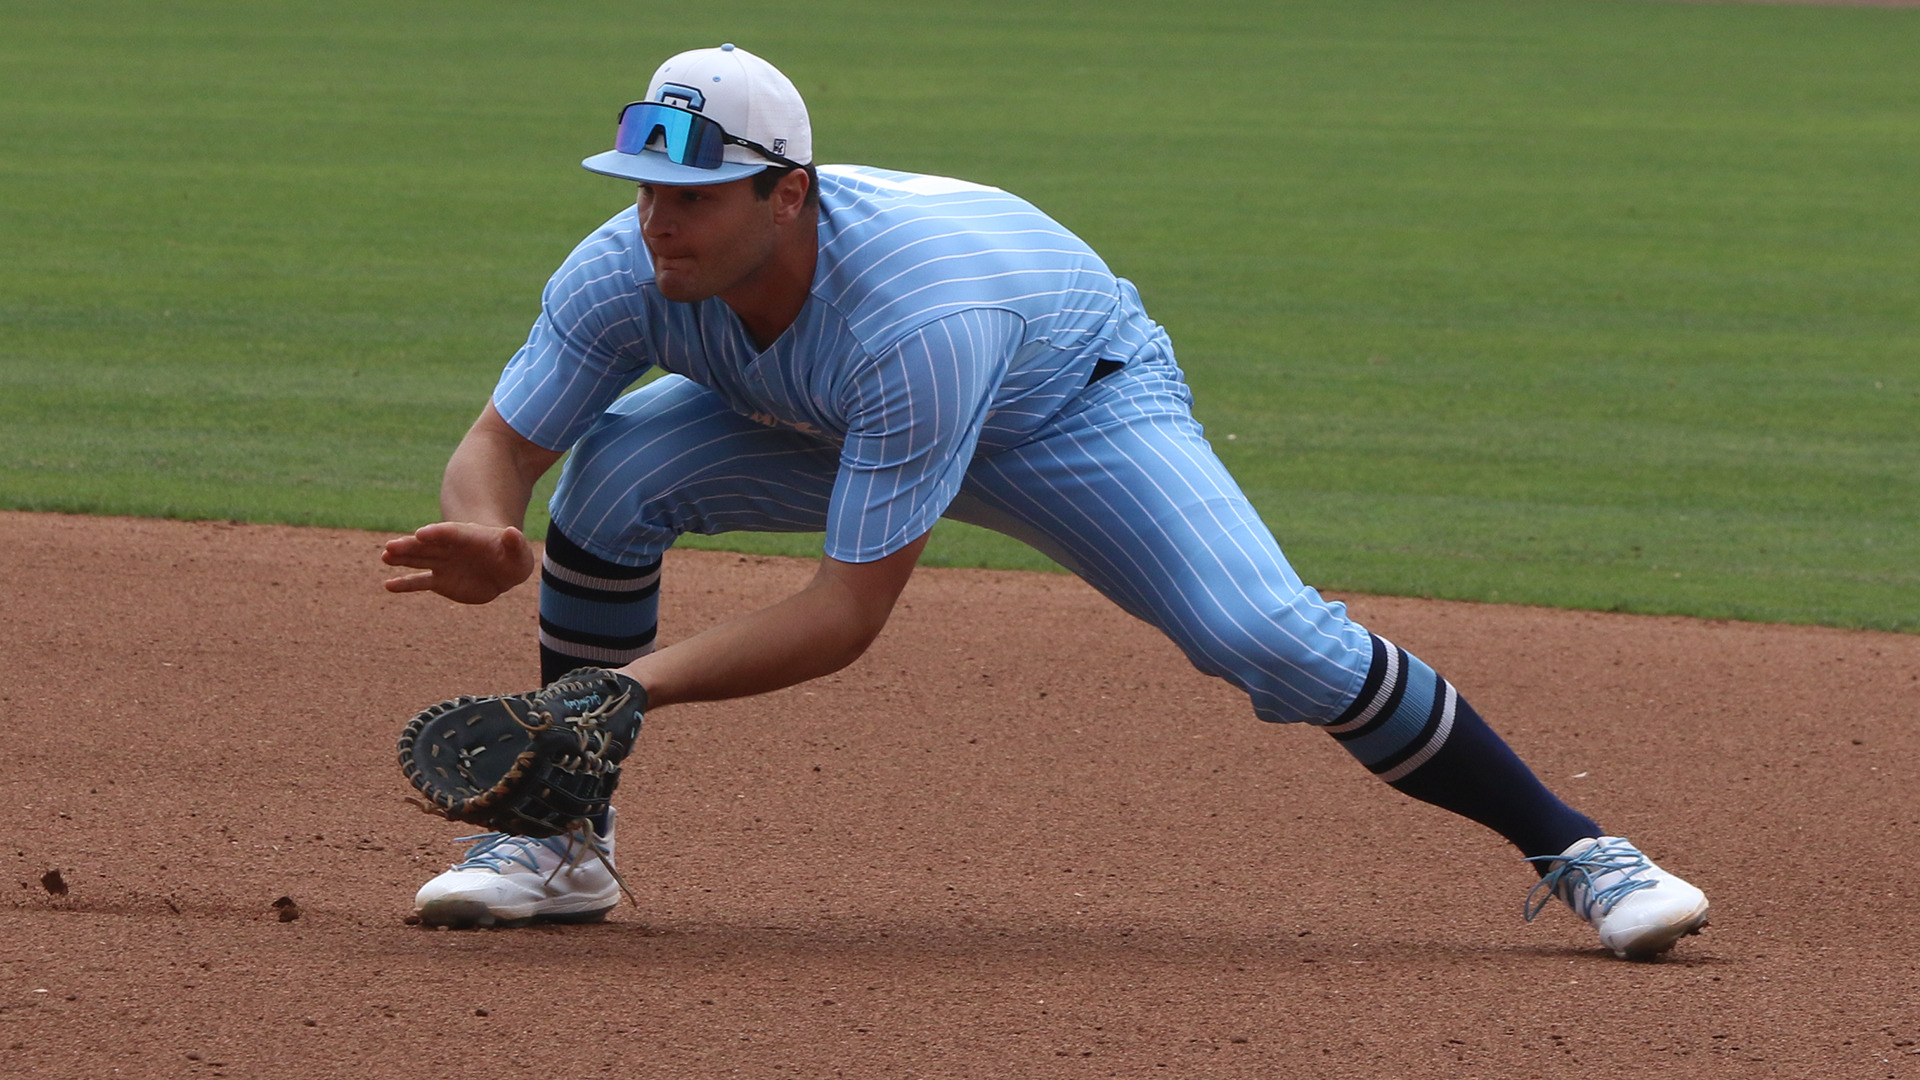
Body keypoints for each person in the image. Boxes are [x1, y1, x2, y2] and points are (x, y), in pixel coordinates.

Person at [382, 43, 1709, 957]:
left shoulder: (915, 313)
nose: (657, 221)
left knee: (1269, 639)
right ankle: (563, 843)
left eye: (692, 195)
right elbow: (501, 444)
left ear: (789, 192)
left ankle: (1583, 855)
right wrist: (491, 523)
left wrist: (628, 688)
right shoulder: (629, 265)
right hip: (834, 406)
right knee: (608, 480)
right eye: (645, 192)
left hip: (1067, 398)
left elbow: (847, 615)